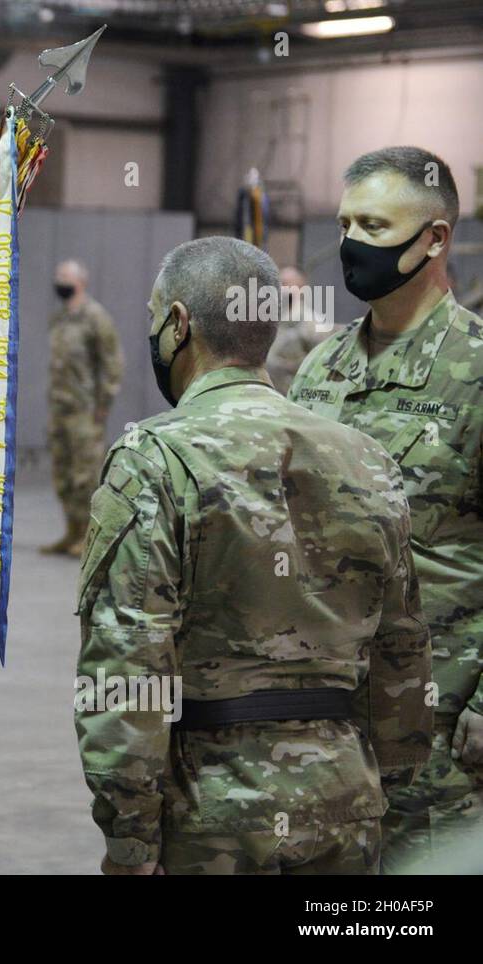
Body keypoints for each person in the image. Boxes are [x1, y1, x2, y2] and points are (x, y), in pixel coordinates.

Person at [76, 236, 432, 875]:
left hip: (213, 815)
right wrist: (389, 794)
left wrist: (128, 841)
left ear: (178, 325)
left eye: (156, 317)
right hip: (346, 803)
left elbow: (128, 666)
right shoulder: (367, 458)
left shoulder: (153, 459)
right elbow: (402, 647)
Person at [289, 146, 483, 873]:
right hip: (323, 717)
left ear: (434, 238)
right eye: (345, 223)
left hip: (438, 722)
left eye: (374, 224)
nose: (351, 244)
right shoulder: (320, 369)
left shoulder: (475, 370)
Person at [43, 258, 122, 556]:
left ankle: (88, 538)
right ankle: (71, 532)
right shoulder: (60, 318)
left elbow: (112, 363)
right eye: (58, 275)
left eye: (65, 276)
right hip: (59, 407)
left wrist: (103, 404)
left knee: (85, 477)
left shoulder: (95, 318)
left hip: (85, 410)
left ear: (81, 282)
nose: (60, 281)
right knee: (62, 474)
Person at [263, 265, 329, 395]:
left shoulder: (315, 324)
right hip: (266, 398)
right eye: (278, 284)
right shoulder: (268, 320)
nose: (280, 289)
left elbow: (323, 369)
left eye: (286, 284)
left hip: (294, 400)